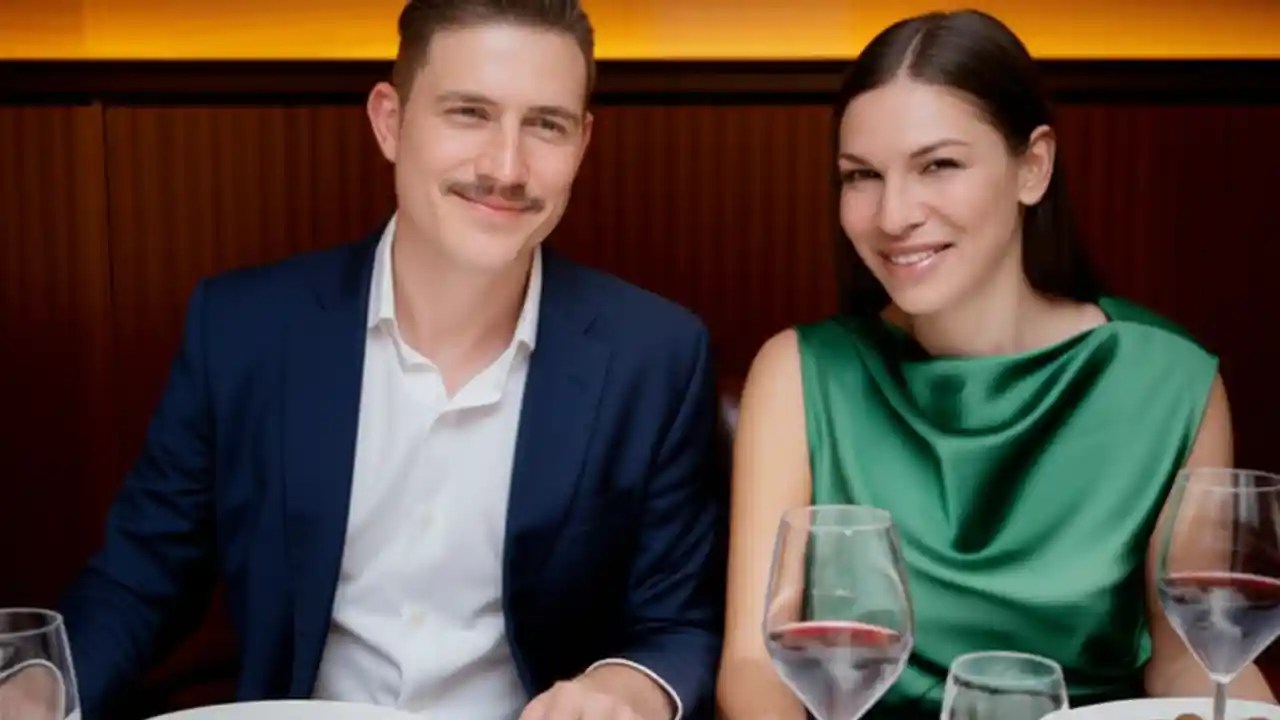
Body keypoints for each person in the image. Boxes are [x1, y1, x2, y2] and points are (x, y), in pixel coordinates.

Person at [55, 1, 726, 718]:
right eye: (469, 113)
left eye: (545, 125)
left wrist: (622, 690)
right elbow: (139, 580)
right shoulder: (243, 329)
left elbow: (678, 622)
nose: (506, 167)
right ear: (389, 121)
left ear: (582, 144)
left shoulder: (655, 355)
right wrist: (43, 688)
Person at [716, 9, 1276, 719]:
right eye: (862, 176)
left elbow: (1191, 655)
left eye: (938, 165)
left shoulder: (1170, 383)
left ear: (1032, 167)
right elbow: (755, 664)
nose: (893, 215)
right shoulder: (800, 373)